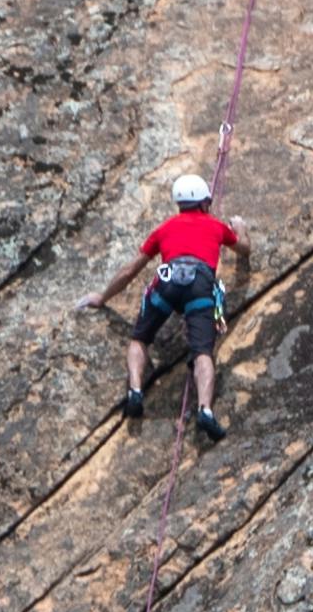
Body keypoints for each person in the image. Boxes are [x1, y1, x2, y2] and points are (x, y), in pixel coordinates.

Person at [88, 172, 239, 442]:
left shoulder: (164, 229)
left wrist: (103, 297)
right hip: (199, 285)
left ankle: (135, 390)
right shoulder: (216, 226)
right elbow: (245, 248)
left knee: (139, 339)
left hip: (167, 281)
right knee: (202, 352)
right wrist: (240, 228)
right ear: (204, 202)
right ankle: (205, 410)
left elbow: (130, 271)